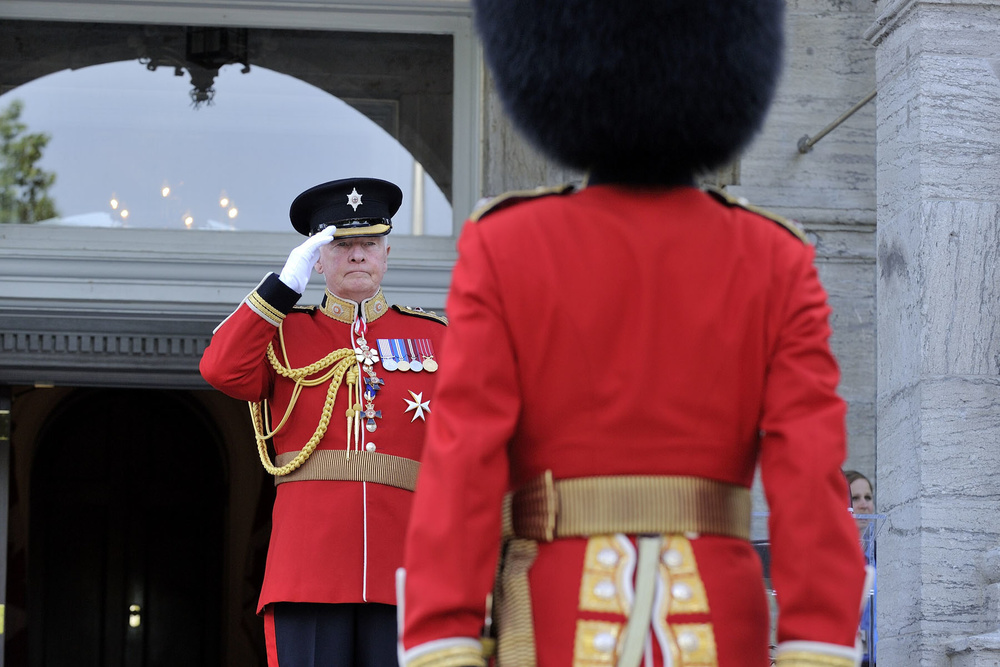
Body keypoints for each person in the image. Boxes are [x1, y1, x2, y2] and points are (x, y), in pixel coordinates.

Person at [398, 2, 869, 667]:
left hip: (556, 620)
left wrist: (443, 640)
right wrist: (815, 647)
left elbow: (462, 461)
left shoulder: (508, 244)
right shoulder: (773, 256)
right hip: (720, 618)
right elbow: (810, 481)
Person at [200, 177, 447, 667]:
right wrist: (282, 289)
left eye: (369, 243)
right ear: (317, 257)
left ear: (386, 253)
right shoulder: (284, 334)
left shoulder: (436, 337)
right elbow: (221, 368)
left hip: (406, 569)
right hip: (308, 568)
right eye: (341, 244)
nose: (357, 255)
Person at [845, 470, 878, 666]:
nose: (864, 504)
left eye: (868, 497)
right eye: (855, 498)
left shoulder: (882, 554)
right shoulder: (831, 556)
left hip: (877, 657)